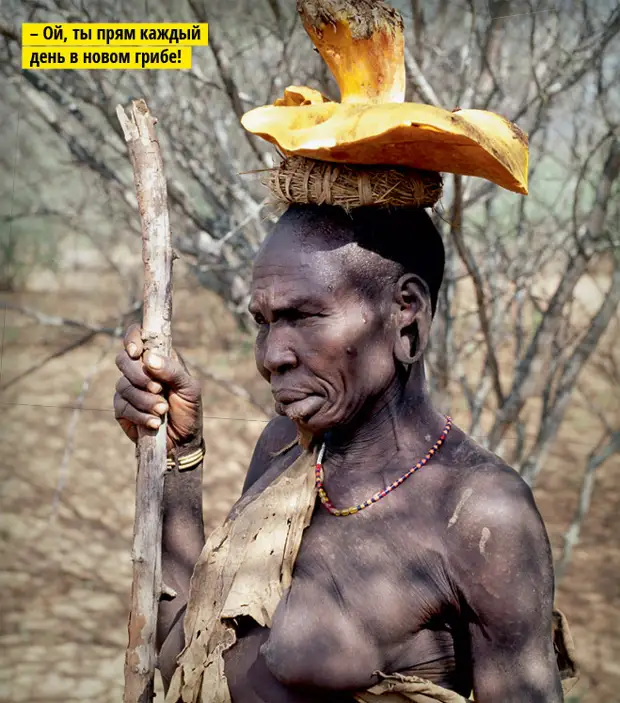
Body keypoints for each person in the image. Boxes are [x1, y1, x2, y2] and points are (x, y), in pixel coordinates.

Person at [114, 204, 572, 702]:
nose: (272, 356)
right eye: (263, 322)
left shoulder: (480, 516)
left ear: (405, 315)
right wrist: (177, 455)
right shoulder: (283, 450)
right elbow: (186, 660)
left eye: (303, 316)